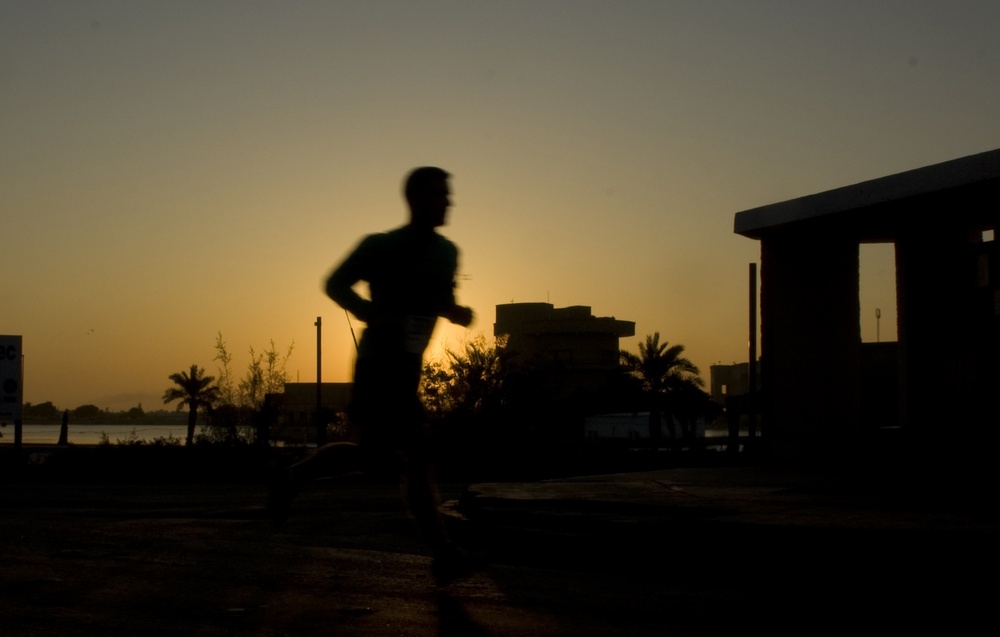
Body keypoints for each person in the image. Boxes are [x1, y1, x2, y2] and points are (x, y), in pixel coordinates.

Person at [269, 166, 475, 582]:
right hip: (378, 366)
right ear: (416, 198)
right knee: (417, 451)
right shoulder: (380, 247)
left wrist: (454, 312)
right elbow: (335, 283)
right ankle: (443, 553)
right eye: (439, 193)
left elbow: (439, 296)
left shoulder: (448, 252)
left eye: (448, 193)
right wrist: (370, 314)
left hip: (408, 370)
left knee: (375, 457)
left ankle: (293, 475)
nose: (448, 201)